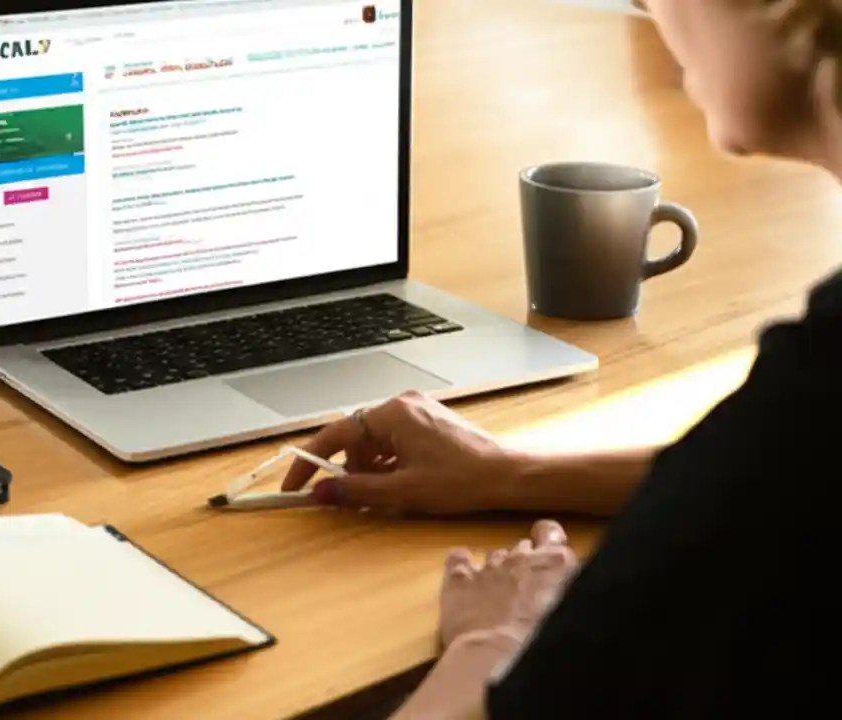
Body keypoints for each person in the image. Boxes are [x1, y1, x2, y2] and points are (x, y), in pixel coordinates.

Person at [282, 1, 842, 717]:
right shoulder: (799, 430)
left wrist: (492, 642)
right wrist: (509, 473)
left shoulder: (811, 401)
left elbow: (774, 477)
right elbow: (755, 480)